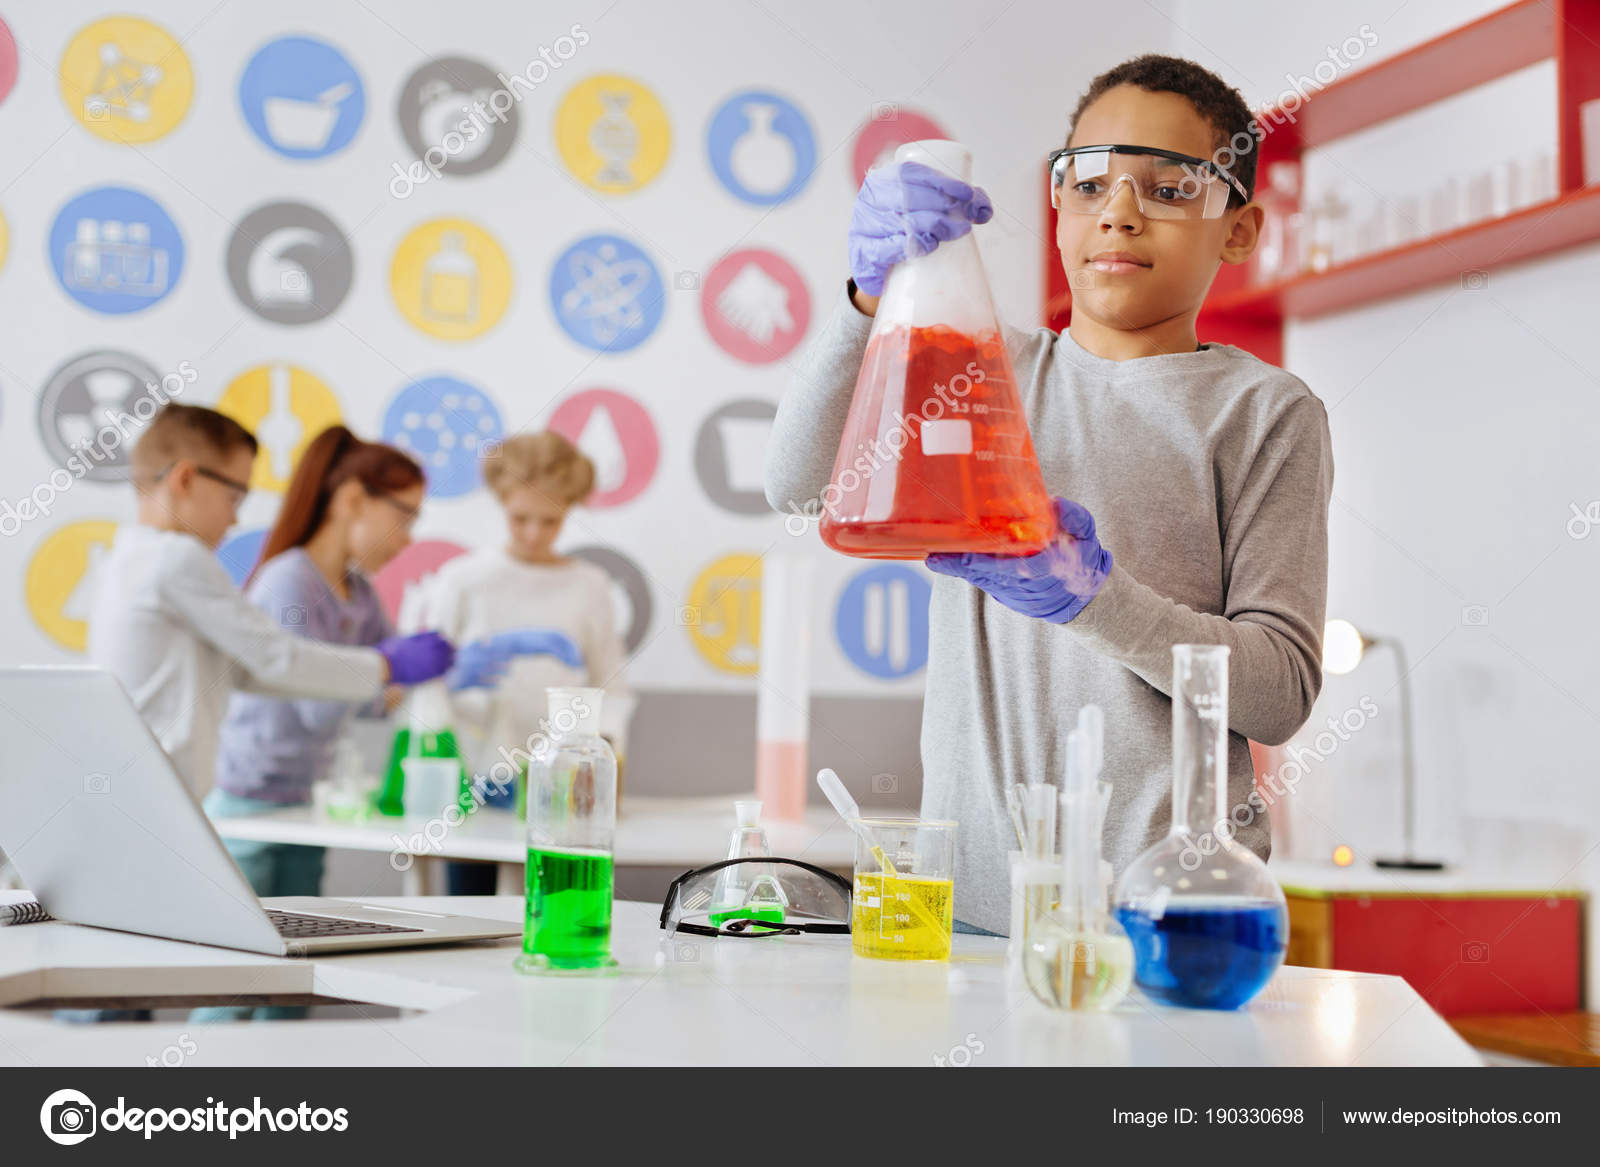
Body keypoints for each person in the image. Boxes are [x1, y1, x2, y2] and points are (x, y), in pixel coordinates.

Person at [764, 55, 1334, 935]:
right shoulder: (980, 370)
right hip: (969, 916)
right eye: (1090, 181)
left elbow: (1280, 691)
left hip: (1169, 918)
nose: (1119, 211)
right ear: (1058, 203)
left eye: (1171, 188)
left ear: (1239, 227)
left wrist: (1100, 602)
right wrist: (868, 301)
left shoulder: (1264, 413)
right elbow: (801, 487)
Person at [77, 406, 452, 1024]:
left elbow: (252, 670)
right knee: (119, 1004)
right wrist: (384, 667)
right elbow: (274, 657)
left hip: (141, 807)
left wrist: (383, 667)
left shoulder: (133, 559)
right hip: (161, 806)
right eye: (234, 494)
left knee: (119, 993)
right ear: (186, 480)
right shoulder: (175, 559)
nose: (236, 516)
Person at [417, 432, 632, 895]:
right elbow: (428, 682)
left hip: (560, 783)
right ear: (501, 501)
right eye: (520, 519)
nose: (534, 534)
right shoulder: (464, 579)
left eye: (550, 521)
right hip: (471, 775)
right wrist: (452, 683)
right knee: (467, 909)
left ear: (570, 510)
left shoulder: (589, 586)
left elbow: (612, 685)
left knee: (543, 899)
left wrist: (604, 761)